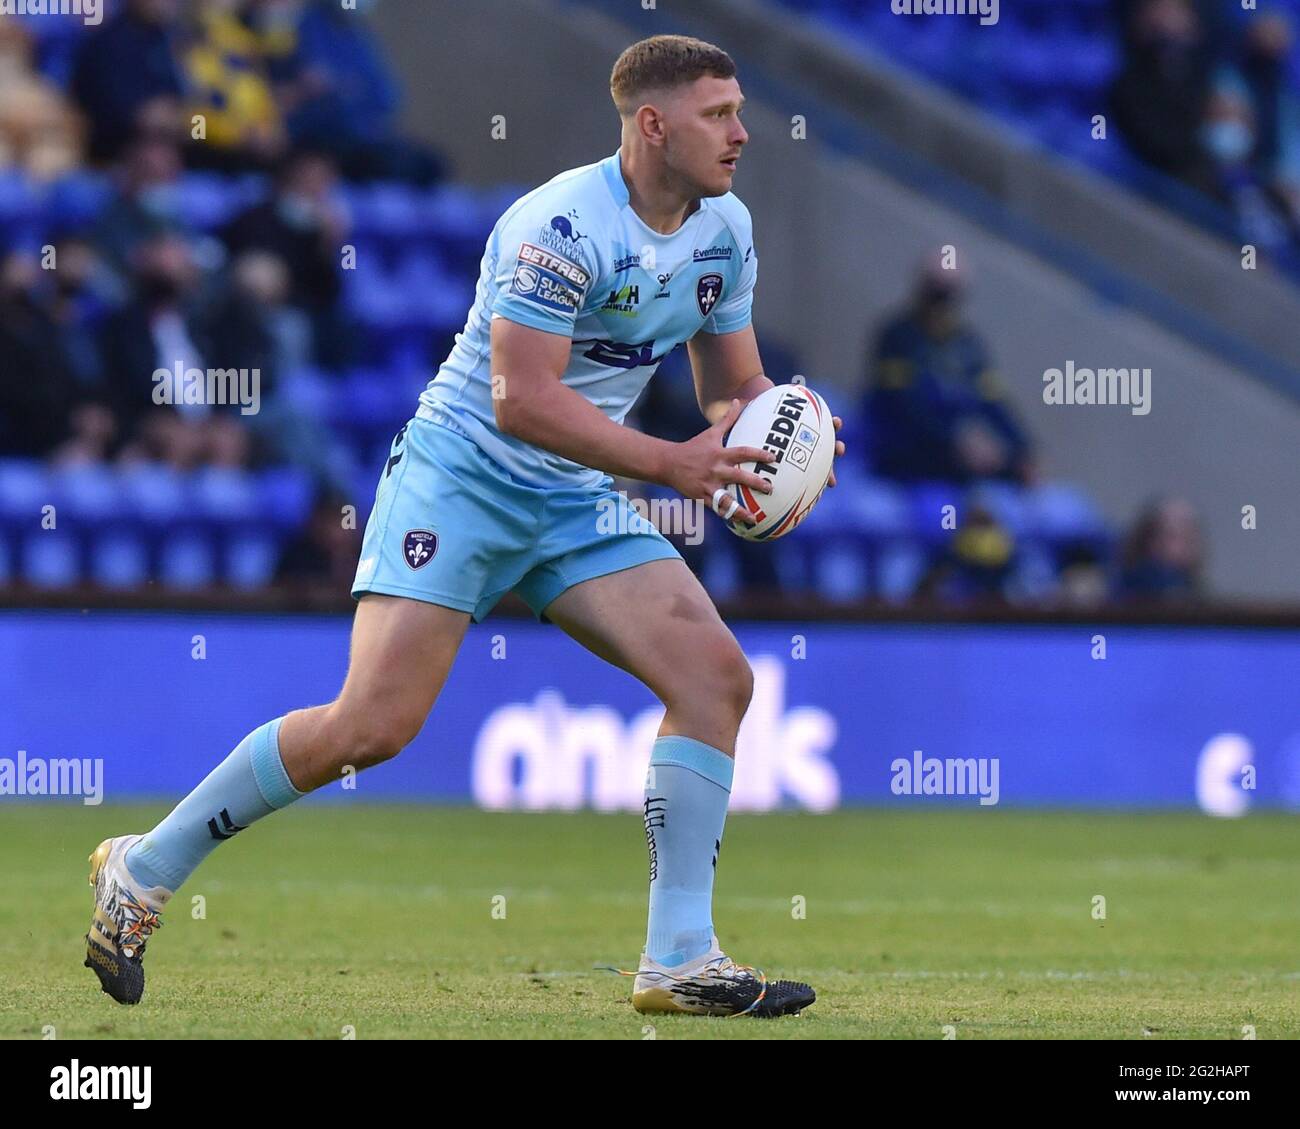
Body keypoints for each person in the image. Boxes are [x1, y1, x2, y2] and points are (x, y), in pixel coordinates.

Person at [83, 35, 843, 1019]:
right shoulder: (559, 226)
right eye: (718, 114)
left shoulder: (726, 230)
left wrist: (784, 435)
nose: (742, 133)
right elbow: (521, 399)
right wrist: (671, 465)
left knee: (716, 680)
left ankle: (679, 957)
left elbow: (728, 387)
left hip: (577, 492)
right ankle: (141, 869)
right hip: (464, 479)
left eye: (739, 110)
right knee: (371, 728)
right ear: (653, 124)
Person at [866, 258, 1033, 485]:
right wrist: (955, 440)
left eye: (950, 296)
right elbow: (899, 405)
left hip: (960, 467)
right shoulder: (897, 338)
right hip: (906, 464)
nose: (942, 305)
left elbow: (993, 401)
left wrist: (1023, 449)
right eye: (936, 295)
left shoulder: (969, 345)